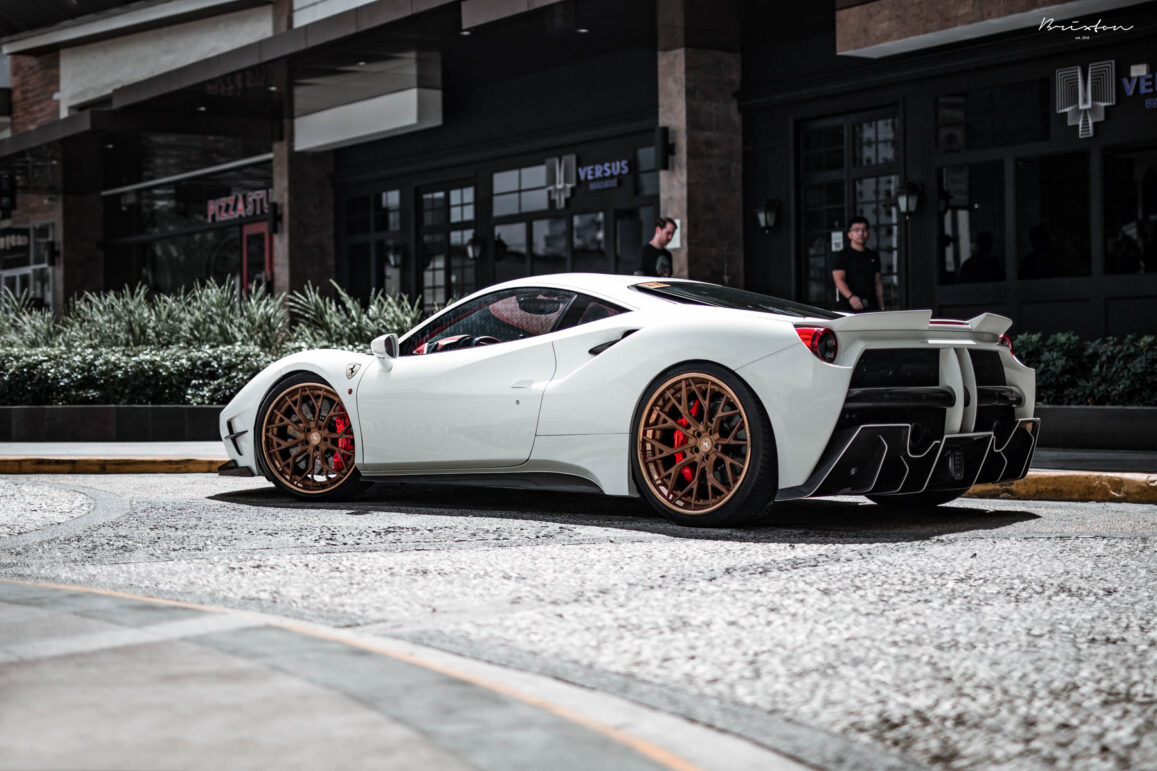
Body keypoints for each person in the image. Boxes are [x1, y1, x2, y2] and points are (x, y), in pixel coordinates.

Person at [831, 216, 884, 312]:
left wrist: (881, 306)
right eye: (857, 230)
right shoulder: (842, 255)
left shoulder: (873, 255)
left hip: (871, 306)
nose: (861, 233)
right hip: (848, 307)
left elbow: (878, 282)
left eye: (864, 230)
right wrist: (850, 297)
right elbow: (838, 280)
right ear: (850, 234)